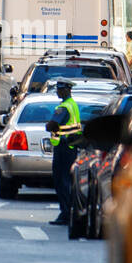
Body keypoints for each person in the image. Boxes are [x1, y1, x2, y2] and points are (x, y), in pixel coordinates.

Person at [43, 79, 84, 226]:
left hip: (63, 148)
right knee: (67, 180)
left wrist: (48, 125)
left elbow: (52, 125)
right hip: (70, 147)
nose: (58, 92)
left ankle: (65, 213)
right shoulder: (72, 105)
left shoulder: (64, 108)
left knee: (62, 181)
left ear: (67, 90)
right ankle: (69, 212)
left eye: (60, 89)